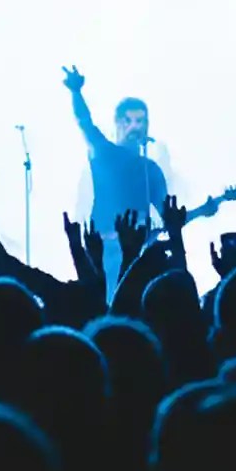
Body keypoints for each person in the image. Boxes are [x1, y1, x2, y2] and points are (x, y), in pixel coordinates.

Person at [63, 65, 168, 299]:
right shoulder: (103, 151)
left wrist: (198, 212)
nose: (134, 127)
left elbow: (166, 215)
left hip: (137, 254)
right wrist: (76, 92)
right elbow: (85, 123)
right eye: (127, 120)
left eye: (140, 121)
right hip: (103, 249)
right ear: (117, 124)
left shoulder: (151, 170)